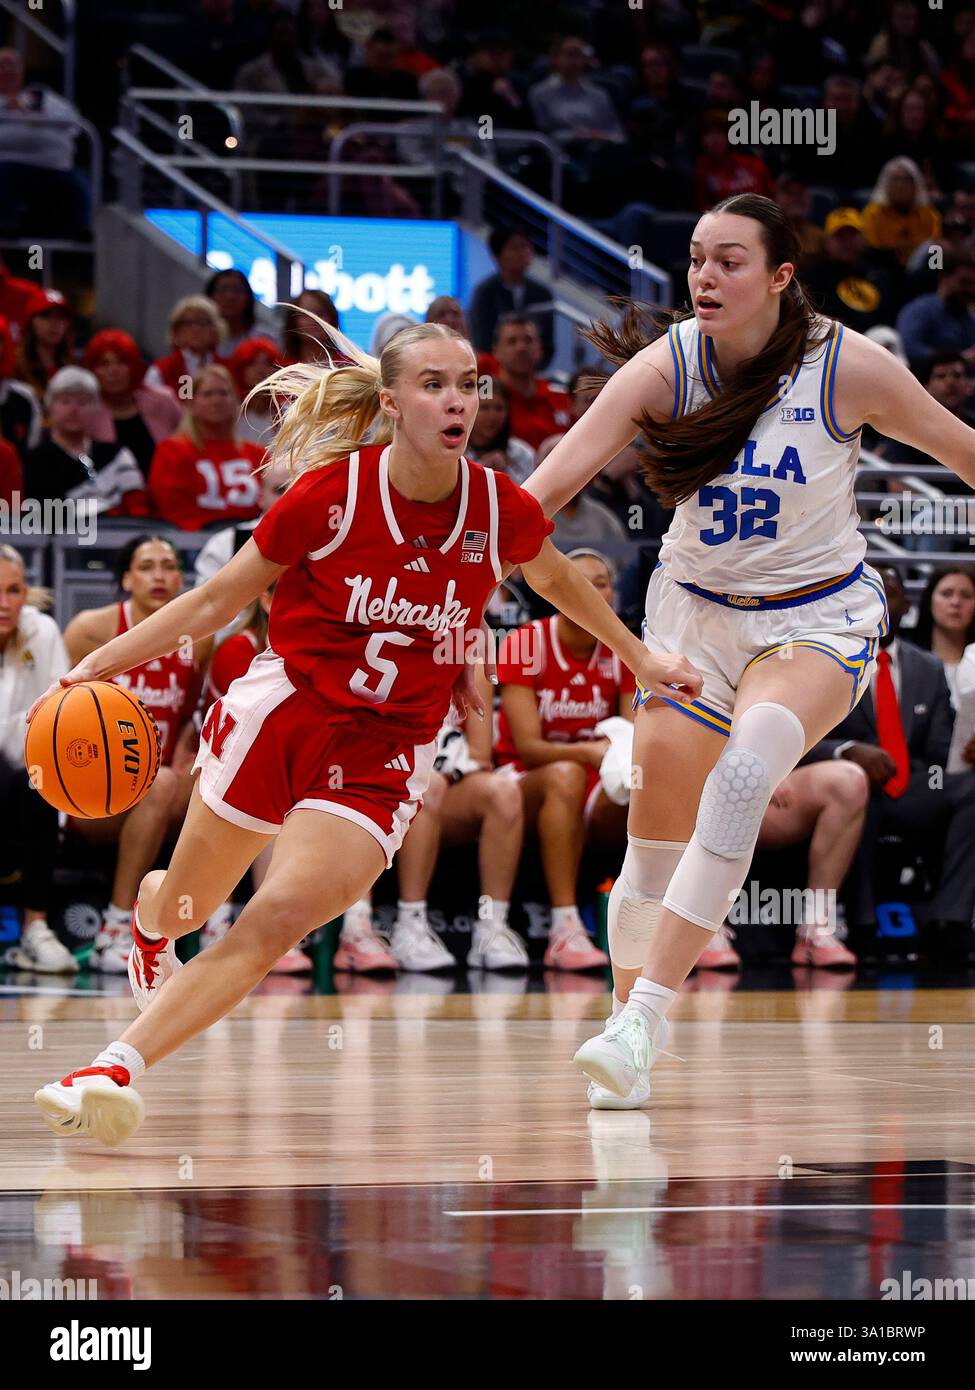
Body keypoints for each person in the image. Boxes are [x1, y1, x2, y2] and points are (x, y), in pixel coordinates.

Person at [31, 319, 695, 1144]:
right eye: (433, 385)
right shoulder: (330, 494)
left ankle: (113, 1066)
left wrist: (639, 658)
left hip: (385, 754)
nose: (457, 401)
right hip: (285, 714)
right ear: (391, 401)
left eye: (468, 385)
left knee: (275, 917)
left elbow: (557, 580)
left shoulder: (498, 507)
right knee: (184, 903)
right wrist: (90, 670)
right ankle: (150, 922)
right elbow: (212, 604)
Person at [521, 191, 975, 1109]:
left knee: (743, 775)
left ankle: (647, 1013)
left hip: (812, 619)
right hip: (691, 616)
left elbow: (963, 450)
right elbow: (542, 493)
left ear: (779, 277)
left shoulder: (848, 367)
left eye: (728, 260)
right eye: (695, 258)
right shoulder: (668, 364)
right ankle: (626, 1031)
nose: (703, 276)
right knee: (651, 845)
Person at [803, 567, 975, 962]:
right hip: (850, 782)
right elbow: (802, 738)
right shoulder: (826, 660)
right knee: (854, 792)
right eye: (868, 591)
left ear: (907, 606)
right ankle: (863, 927)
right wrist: (846, 749)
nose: (879, 599)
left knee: (969, 790)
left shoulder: (927, 668)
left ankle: (949, 920)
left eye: (890, 592)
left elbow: (938, 746)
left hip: (912, 783)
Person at [63, 536, 212, 973]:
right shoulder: (91, 630)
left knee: (227, 779)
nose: (160, 576)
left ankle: (216, 919)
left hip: (160, 789)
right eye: (147, 566)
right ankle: (115, 927)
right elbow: (60, 718)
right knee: (160, 780)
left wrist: (191, 743)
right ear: (126, 578)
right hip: (93, 791)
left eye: (169, 566)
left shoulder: (199, 639)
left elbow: (190, 714)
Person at [495, 551, 637, 971]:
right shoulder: (526, 642)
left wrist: (611, 760)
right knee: (564, 774)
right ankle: (564, 927)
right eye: (581, 580)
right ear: (556, 588)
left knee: (649, 786)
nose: (593, 591)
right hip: (526, 780)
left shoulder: (624, 648)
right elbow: (528, 748)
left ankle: (667, 923)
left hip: (597, 781)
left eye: (602, 582)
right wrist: (586, 752)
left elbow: (631, 740)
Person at [0, 545, 77, 973]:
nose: (4, 603)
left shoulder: (42, 631)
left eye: (13, 591)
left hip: (20, 789)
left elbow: (55, 721)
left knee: (42, 779)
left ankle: (35, 927)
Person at [148, 365, 266, 531]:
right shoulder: (171, 451)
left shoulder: (259, 455)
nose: (216, 400)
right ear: (192, 404)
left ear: (235, 402)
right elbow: (173, 510)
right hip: (193, 542)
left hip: (251, 540)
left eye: (224, 393)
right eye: (207, 394)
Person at [23, 368, 149, 518]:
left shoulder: (117, 454)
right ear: (50, 407)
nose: (74, 409)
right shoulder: (37, 460)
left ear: (96, 408)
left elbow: (138, 507)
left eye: (83, 402)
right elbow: (48, 517)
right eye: (65, 401)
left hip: (120, 535)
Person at [83, 330, 182, 478]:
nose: (113, 371)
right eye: (104, 364)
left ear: (133, 366)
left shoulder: (163, 400)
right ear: (92, 370)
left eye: (122, 362)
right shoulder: (86, 412)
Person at [468, 229, 554, 371]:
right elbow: (482, 341)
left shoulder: (542, 293)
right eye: (515, 248)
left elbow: (548, 344)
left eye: (526, 247)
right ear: (498, 255)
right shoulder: (484, 292)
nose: (522, 253)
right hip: (493, 373)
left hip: (533, 374)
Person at [491, 314, 571, 450]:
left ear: (540, 349)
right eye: (512, 341)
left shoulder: (561, 397)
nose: (521, 348)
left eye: (528, 340)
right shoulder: (484, 393)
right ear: (496, 351)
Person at [895, 253, 975, 376]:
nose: (970, 290)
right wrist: (955, 358)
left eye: (973, 285)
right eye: (964, 283)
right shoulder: (920, 310)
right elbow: (909, 349)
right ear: (943, 278)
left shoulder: (970, 318)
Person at [861, 157, 942, 268]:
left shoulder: (930, 216)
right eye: (896, 179)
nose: (901, 185)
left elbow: (935, 249)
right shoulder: (872, 215)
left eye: (907, 180)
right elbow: (871, 251)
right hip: (886, 270)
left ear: (917, 185)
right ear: (885, 184)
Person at [145, 297, 228, 396]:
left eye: (202, 322)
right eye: (188, 323)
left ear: (215, 330)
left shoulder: (229, 369)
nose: (196, 328)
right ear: (176, 331)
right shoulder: (159, 371)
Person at [464, 377, 534, 486]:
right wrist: (479, 470)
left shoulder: (522, 454)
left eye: (499, 408)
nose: (492, 416)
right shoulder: (455, 454)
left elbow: (529, 496)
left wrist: (506, 473)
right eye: (484, 408)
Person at [13, 289, 75, 398]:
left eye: (61, 317)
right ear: (31, 321)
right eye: (46, 316)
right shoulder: (15, 365)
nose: (54, 323)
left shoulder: (72, 366)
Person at [227, 336, 284, 446]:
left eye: (267, 363)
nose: (260, 369)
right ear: (240, 370)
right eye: (251, 363)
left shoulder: (289, 413)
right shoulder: (229, 415)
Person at [205, 269, 258, 357]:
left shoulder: (262, 340)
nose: (229, 297)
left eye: (237, 290)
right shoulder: (198, 338)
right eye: (222, 290)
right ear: (210, 297)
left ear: (248, 298)